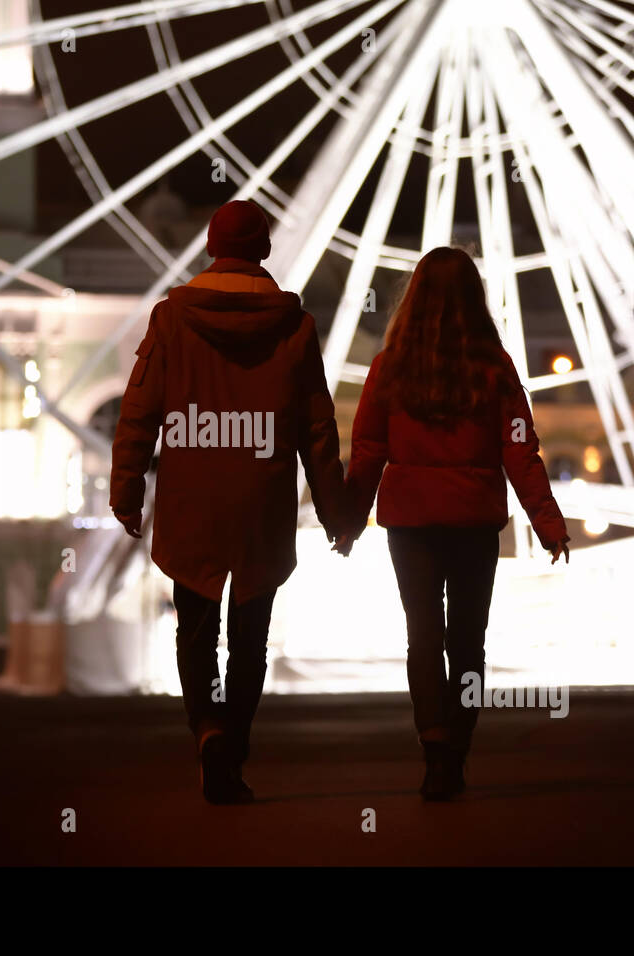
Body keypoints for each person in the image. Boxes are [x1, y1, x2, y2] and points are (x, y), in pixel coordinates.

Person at [111, 200, 347, 805]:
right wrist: (335, 513)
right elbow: (316, 428)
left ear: (212, 247)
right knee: (250, 637)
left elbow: (138, 411)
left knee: (195, 630)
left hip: (192, 501)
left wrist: (128, 489)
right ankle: (233, 742)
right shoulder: (294, 326)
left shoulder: (172, 320)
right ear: (264, 250)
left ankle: (207, 728)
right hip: (261, 502)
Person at [335, 247, 570, 802]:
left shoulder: (391, 365)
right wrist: (547, 520)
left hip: (410, 519)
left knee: (423, 637)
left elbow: (367, 449)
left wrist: (347, 520)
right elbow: (520, 450)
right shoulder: (495, 367)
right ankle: (457, 749)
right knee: (468, 643)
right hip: (472, 517)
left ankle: (433, 743)